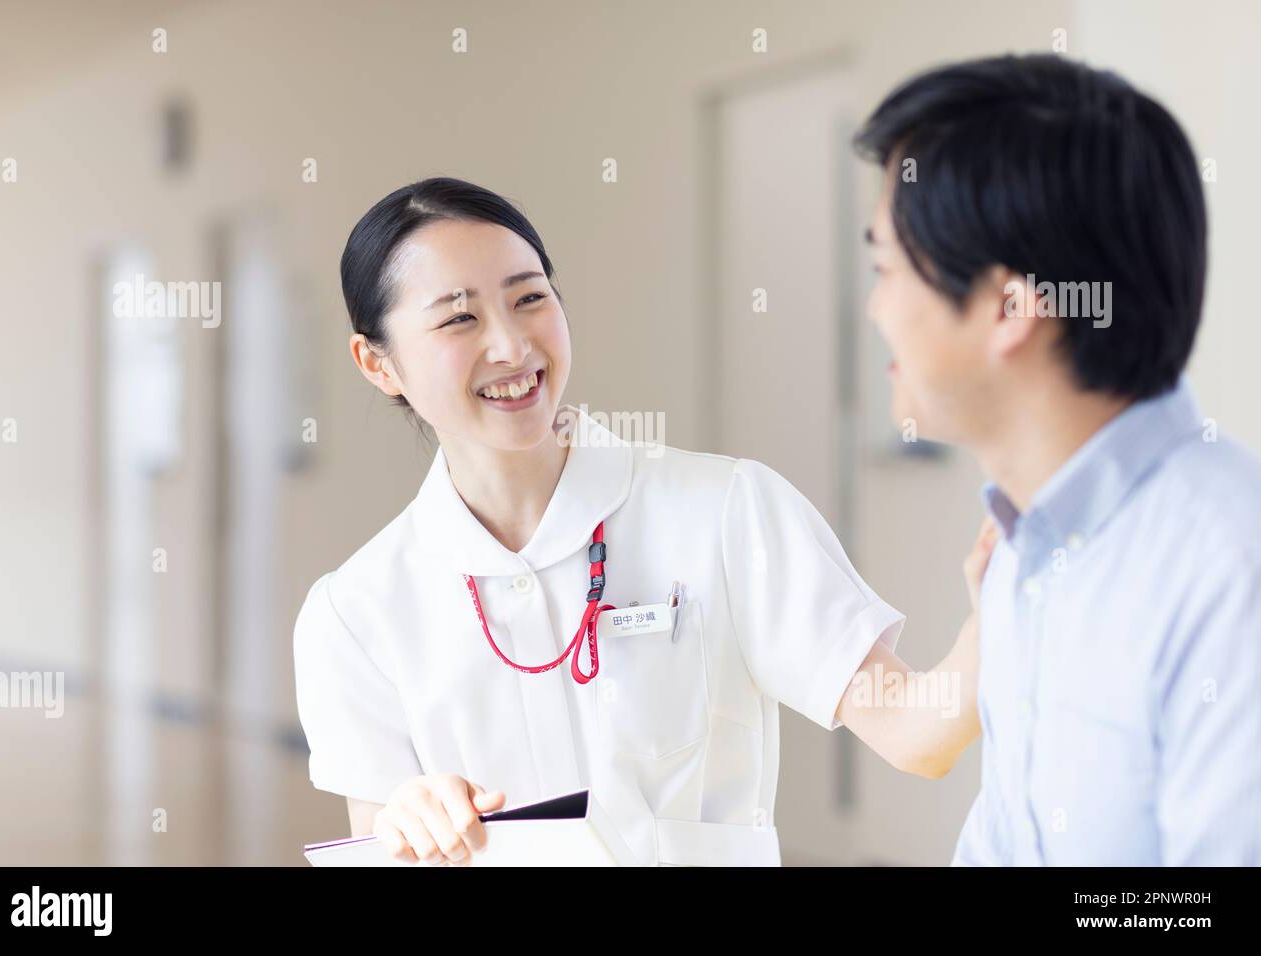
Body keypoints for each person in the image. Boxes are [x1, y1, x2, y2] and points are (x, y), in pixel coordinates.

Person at [293, 177, 987, 866]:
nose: (511, 346)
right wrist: (411, 820)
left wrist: (1002, 606)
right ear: (377, 363)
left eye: (530, 298)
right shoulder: (353, 614)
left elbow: (919, 734)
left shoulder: (725, 512)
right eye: (458, 318)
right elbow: (381, 842)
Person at [855, 53, 1261, 865]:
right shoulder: (1017, 556)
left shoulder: (1230, 567)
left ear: (1011, 309)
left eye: (885, 269)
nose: (875, 308)